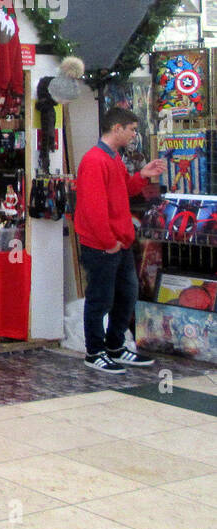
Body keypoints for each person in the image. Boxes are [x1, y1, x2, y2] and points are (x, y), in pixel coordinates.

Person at [74, 107, 166, 373]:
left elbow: (122, 189)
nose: (134, 135)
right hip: (105, 244)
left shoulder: (112, 158)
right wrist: (108, 242)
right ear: (117, 129)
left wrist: (142, 176)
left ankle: (115, 346)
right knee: (100, 299)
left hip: (119, 241)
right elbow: (93, 208)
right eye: (132, 129)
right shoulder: (95, 160)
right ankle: (94, 352)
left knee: (126, 295)